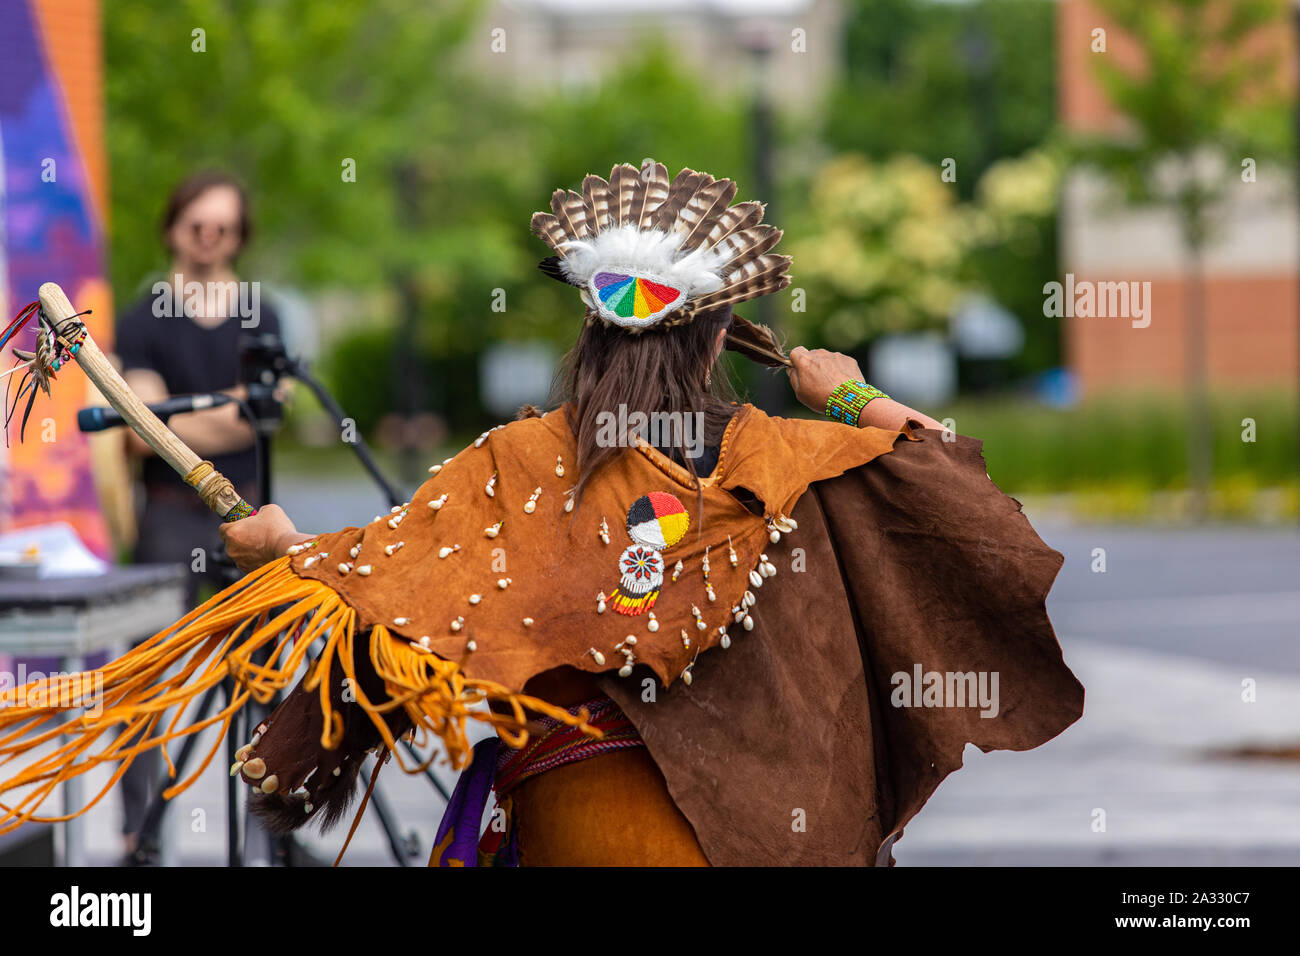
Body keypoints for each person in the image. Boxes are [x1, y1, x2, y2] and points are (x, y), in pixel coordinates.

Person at [0, 161, 1083, 867]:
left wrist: (286, 549)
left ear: (591, 336)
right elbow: (964, 500)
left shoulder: (516, 464)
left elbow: (382, 584)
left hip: (573, 835)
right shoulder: (811, 456)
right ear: (716, 342)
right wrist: (848, 395)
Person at [111, 170, 282, 862]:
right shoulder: (141, 316)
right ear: (174, 227)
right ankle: (141, 837)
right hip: (170, 517)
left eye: (224, 228)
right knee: (145, 680)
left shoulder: (261, 315)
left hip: (250, 517)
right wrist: (228, 411)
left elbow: (264, 415)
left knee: (270, 675)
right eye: (196, 225)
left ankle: (274, 834)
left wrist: (175, 418)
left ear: (240, 235)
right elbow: (137, 429)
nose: (209, 239)